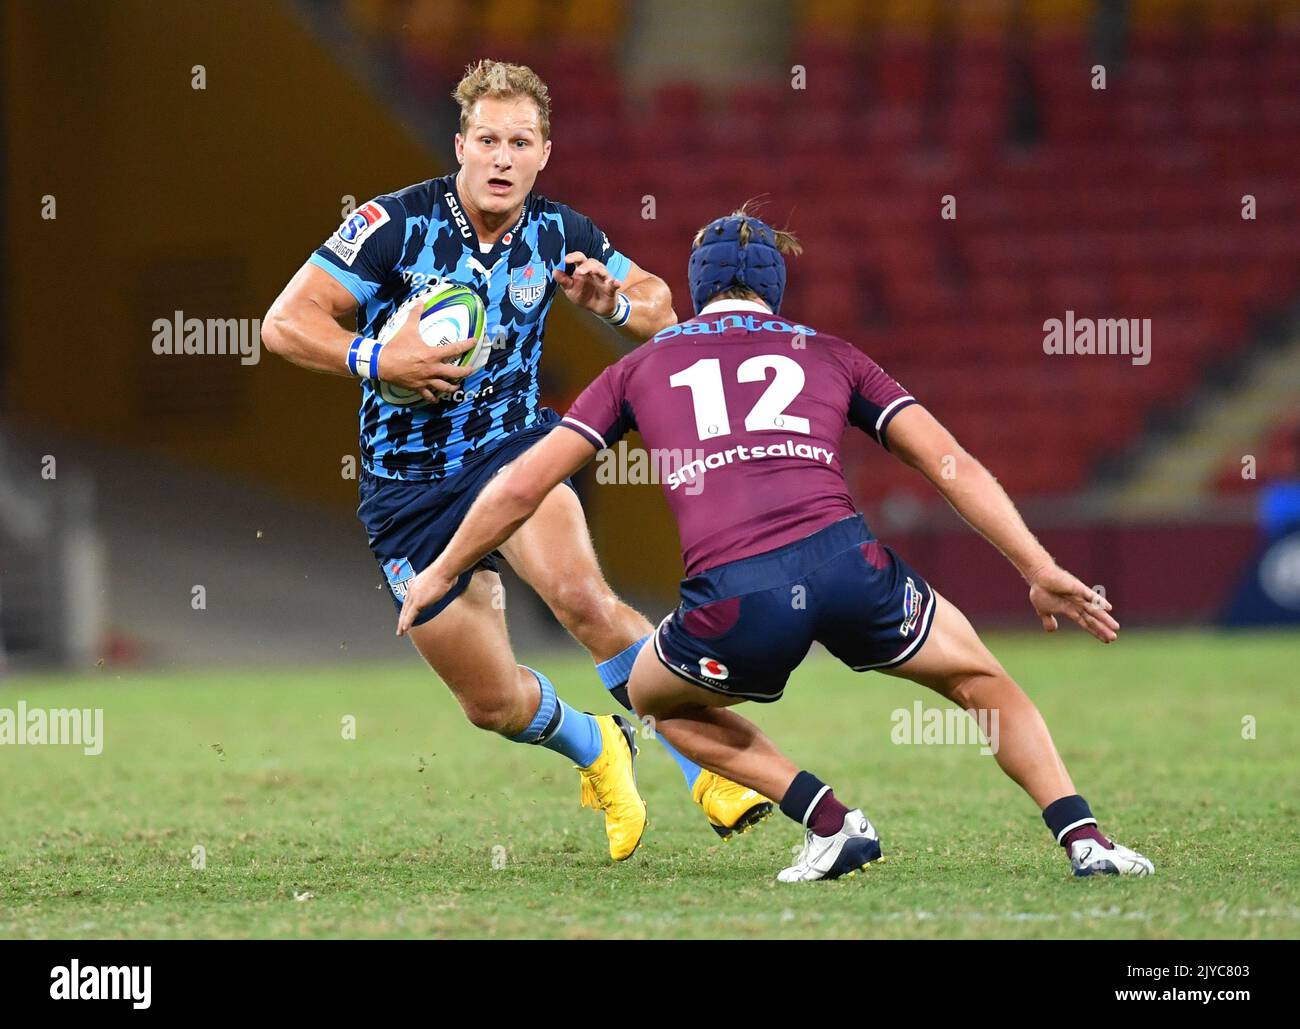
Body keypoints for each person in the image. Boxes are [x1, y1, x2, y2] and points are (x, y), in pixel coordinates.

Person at [395, 206, 1156, 882]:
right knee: (983, 680)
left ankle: (829, 821)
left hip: (737, 599)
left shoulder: (640, 367)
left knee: (650, 696)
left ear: (696, 288)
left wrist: (443, 569)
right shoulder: (831, 352)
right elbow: (948, 462)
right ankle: (1086, 840)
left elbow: (522, 486)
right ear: (775, 290)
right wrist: (1038, 566)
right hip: (850, 566)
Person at [262, 60, 770, 863]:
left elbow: (661, 306)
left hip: (516, 450)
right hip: (406, 492)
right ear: (460, 145)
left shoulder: (561, 234)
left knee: (583, 597)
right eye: (489, 140)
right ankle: (598, 744)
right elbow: (284, 323)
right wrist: (377, 357)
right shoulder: (393, 225)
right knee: (492, 702)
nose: (503, 157)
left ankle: (706, 768)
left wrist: (615, 302)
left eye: (521, 142)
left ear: (545, 154)